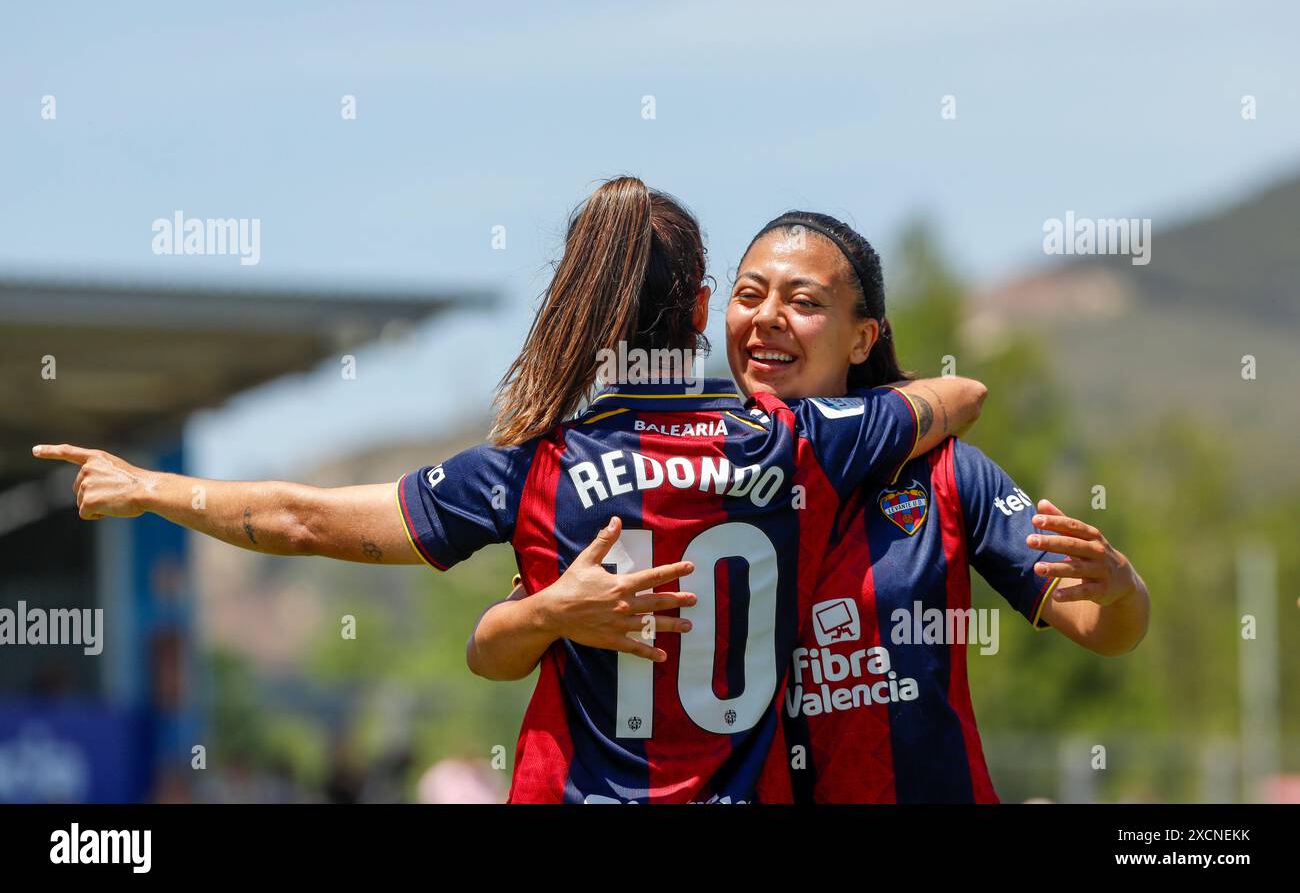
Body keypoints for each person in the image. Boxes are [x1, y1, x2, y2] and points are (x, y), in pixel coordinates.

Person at [33, 176, 987, 804]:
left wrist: (155, 487)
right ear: (702, 310)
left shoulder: (534, 469)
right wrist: (884, 402)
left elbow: (302, 518)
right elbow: (958, 397)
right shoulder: (798, 439)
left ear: (576, 308)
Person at [469, 210, 1149, 803]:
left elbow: (1101, 627)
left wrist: (1122, 590)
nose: (768, 316)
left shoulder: (943, 472)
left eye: (803, 300)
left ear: (862, 339)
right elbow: (501, 646)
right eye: (749, 294)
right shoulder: (666, 483)